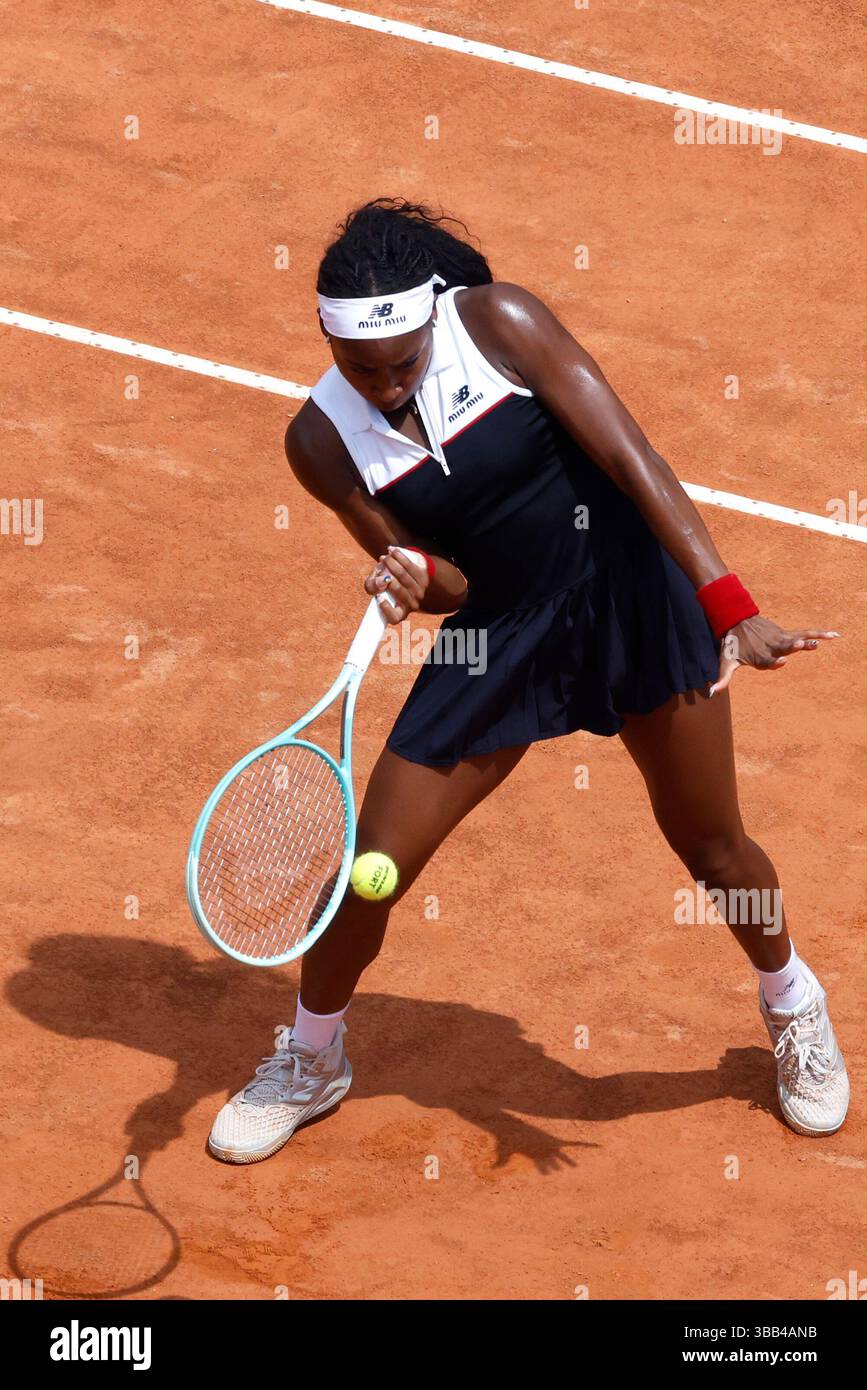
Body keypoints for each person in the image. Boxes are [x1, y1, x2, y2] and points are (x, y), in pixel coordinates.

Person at [209, 197, 848, 1164]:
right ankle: (310, 1057)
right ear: (326, 344)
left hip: (628, 594)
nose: (384, 386)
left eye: (402, 362)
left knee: (713, 847)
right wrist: (416, 577)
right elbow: (447, 584)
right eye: (360, 368)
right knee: (368, 872)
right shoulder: (320, 442)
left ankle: (792, 1001)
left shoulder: (499, 322)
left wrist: (727, 604)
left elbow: (633, 459)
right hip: (498, 634)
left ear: (431, 320)